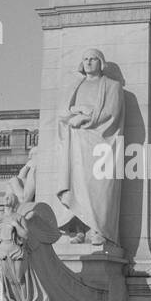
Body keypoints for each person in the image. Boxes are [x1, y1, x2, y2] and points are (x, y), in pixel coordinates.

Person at [55, 48, 124, 246]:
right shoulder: (76, 86)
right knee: (77, 187)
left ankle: (98, 229)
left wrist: (86, 118)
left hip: (101, 143)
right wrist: (74, 115)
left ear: (101, 63)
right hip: (76, 143)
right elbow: (63, 113)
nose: (88, 62)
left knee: (99, 188)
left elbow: (111, 113)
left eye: (93, 59)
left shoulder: (112, 85)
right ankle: (77, 229)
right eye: (85, 59)